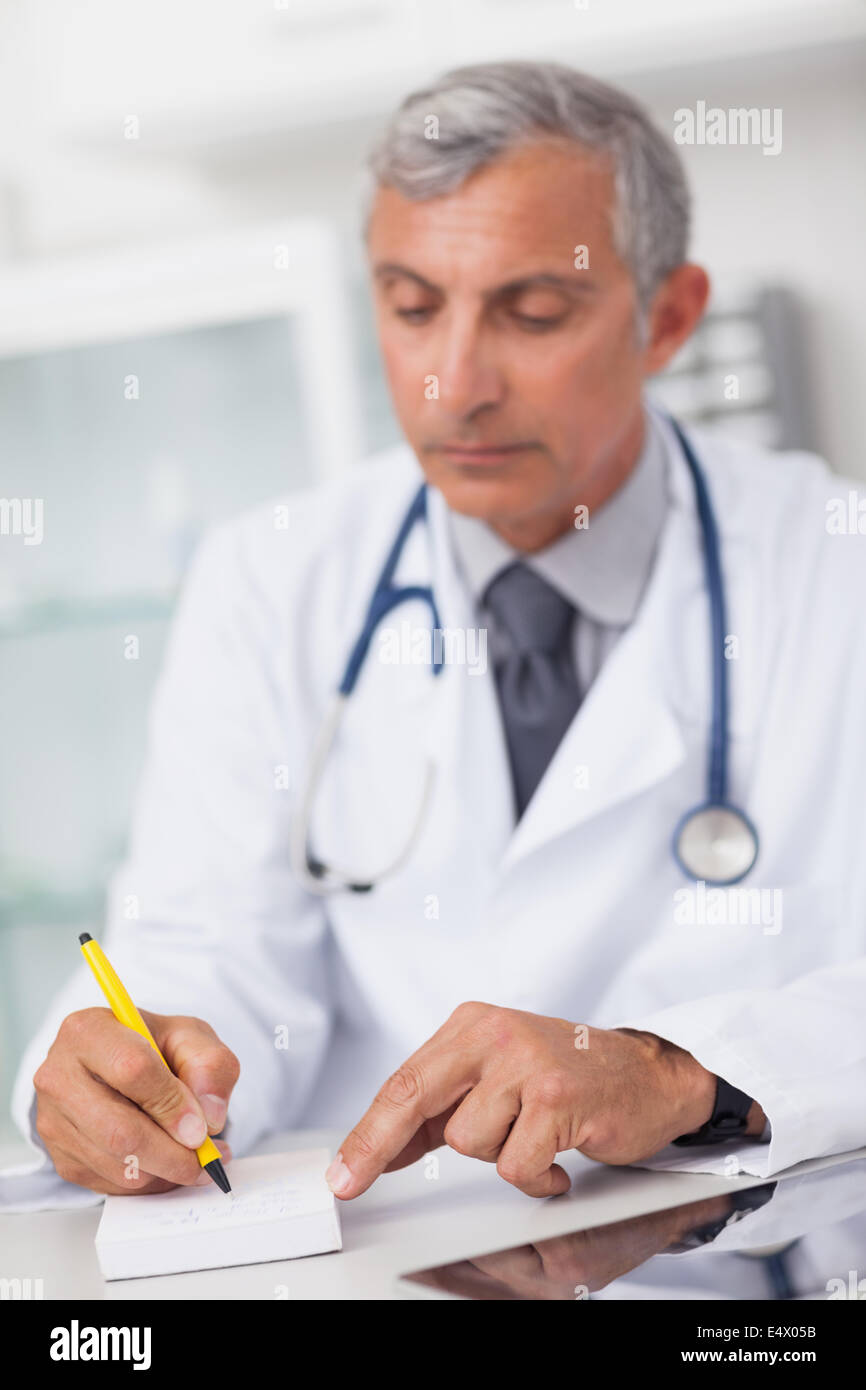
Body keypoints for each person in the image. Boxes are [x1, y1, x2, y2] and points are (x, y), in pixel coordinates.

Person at [14, 61, 866, 1205]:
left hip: (735, 1277)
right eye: (412, 306)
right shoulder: (270, 580)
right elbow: (203, 945)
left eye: (531, 313)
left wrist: (681, 1070)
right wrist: (134, 1069)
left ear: (665, 318)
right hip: (376, 1261)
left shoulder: (832, 565)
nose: (451, 384)